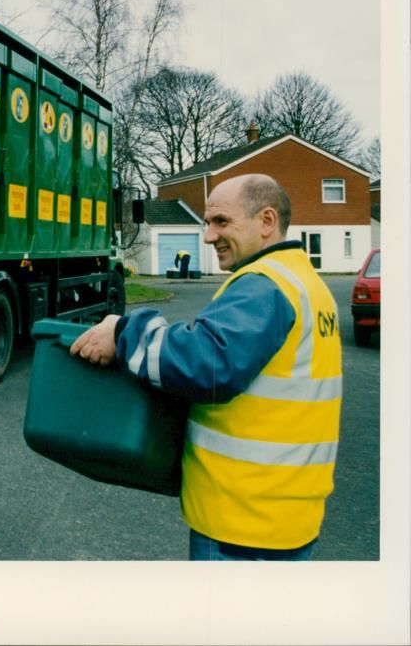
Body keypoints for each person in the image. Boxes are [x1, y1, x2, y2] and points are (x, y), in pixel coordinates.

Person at [71, 174, 342, 561]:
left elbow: (204, 363)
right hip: (285, 515)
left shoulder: (263, 286)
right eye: (207, 223)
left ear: (267, 221)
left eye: (221, 222)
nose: (209, 237)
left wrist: (124, 329)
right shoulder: (306, 283)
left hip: (243, 523)